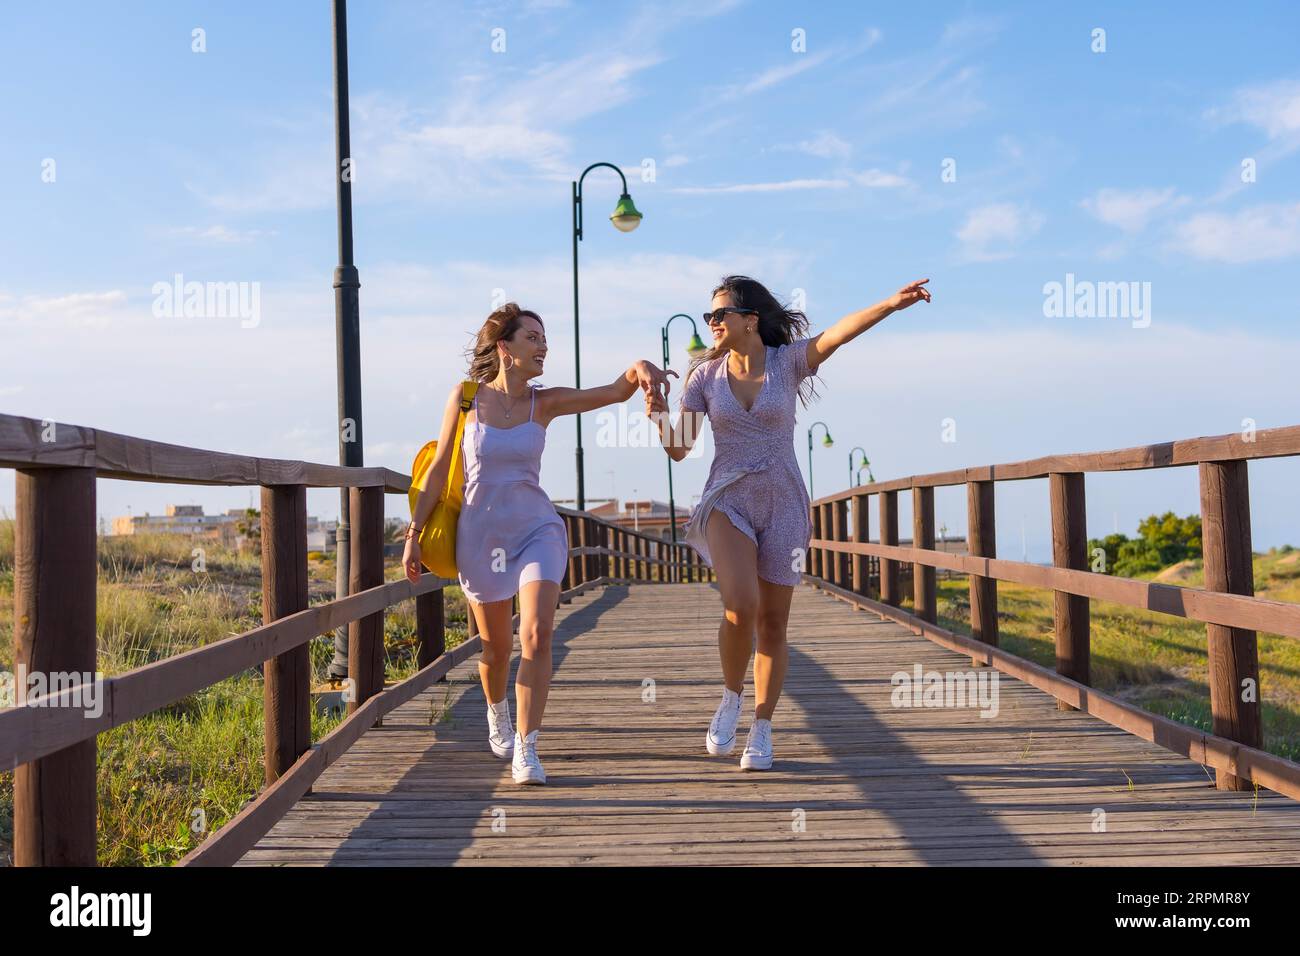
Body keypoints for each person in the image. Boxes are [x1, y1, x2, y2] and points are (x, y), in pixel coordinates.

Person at [646, 276, 931, 770]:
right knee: (741, 605)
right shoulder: (703, 379)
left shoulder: (788, 363)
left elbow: (839, 334)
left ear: (750, 320)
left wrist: (889, 303)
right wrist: (656, 417)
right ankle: (731, 696)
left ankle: (761, 725)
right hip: (728, 498)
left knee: (774, 623)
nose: (711, 323)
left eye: (720, 315)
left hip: (784, 500)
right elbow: (680, 448)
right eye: (708, 316)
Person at [405, 303, 671, 784]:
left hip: (536, 530)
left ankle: (527, 748)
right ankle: (497, 712)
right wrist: (413, 535)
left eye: (544, 338)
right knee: (494, 649)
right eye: (532, 337)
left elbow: (612, 391)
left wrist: (642, 370)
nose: (543, 345)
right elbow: (440, 468)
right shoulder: (465, 399)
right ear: (504, 348)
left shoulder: (543, 403)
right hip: (480, 536)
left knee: (536, 634)